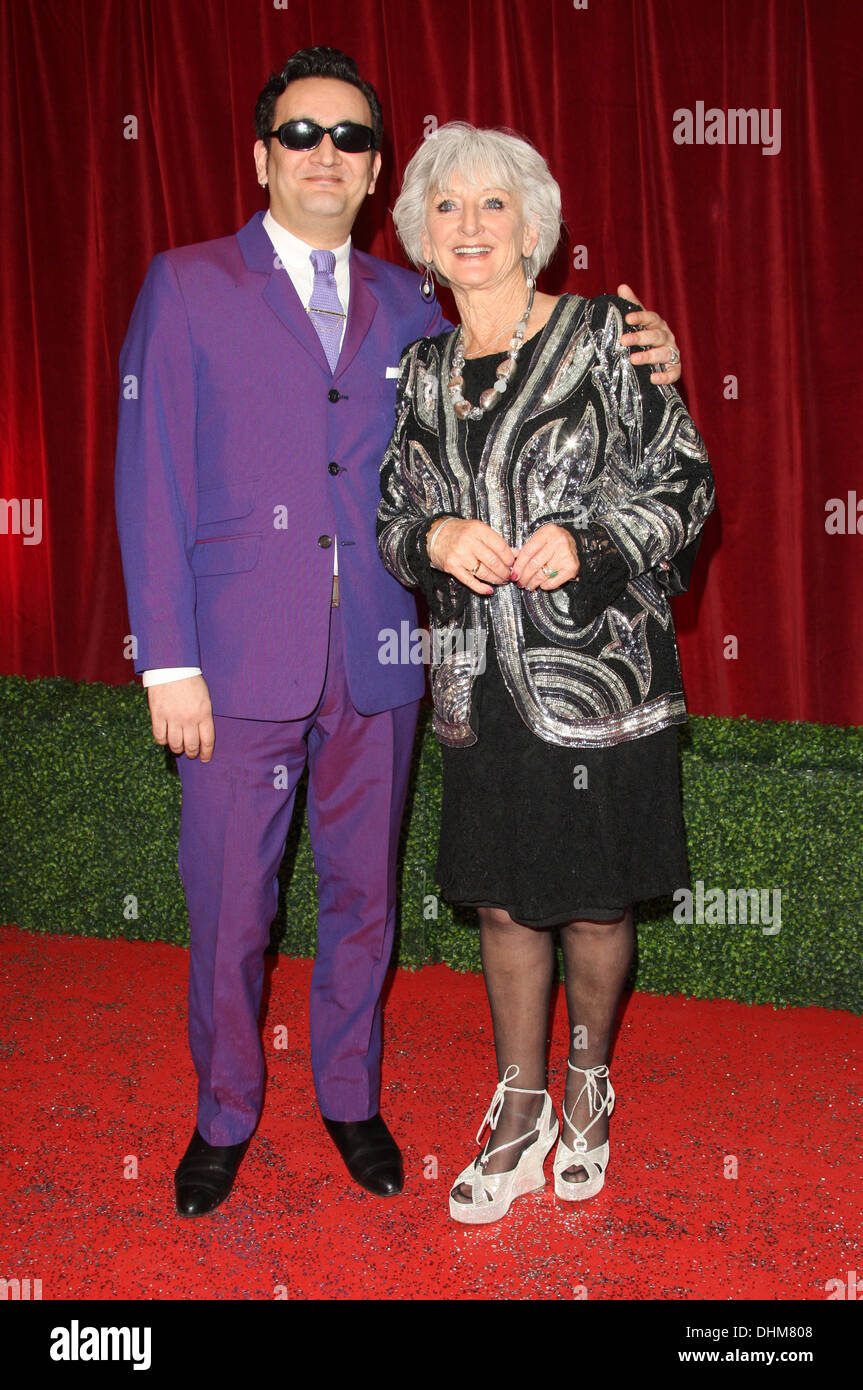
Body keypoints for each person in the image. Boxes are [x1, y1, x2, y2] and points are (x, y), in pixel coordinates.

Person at [115, 48, 684, 1218]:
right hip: (231, 663)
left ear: (375, 170)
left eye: (351, 139)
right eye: (302, 134)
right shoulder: (185, 283)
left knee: (362, 900)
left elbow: (534, 366)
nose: (326, 154)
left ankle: (348, 1098)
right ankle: (224, 1113)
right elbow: (149, 477)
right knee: (230, 904)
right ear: (262, 153)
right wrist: (165, 658)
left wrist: (657, 353)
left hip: (388, 664)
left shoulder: (410, 306)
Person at [377, 122, 714, 1225]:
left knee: (590, 898)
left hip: (601, 685)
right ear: (421, 237)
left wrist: (593, 538)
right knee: (504, 903)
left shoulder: (609, 334)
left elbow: (683, 486)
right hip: (475, 688)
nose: (468, 226)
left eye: (491, 205)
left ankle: (585, 1082)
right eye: (445, 207)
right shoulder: (420, 368)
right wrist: (431, 539)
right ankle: (516, 1104)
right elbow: (388, 512)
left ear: (535, 226)